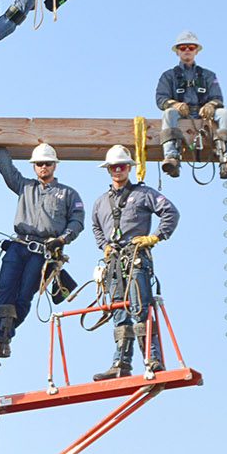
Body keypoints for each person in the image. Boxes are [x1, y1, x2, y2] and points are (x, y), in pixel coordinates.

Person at [0, 145, 84, 359]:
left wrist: (62, 239)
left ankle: (1, 338)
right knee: (4, 290)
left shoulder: (68, 194)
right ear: (34, 167)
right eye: (39, 164)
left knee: (23, 296)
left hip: (43, 251)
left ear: (54, 165)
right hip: (18, 245)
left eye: (47, 163)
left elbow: (78, 221)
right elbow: (7, 170)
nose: (43, 167)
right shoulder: (25, 187)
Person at [91, 146, 179, 380]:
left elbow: (170, 212)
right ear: (108, 170)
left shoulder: (144, 194)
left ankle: (152, 358)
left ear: (128, 167)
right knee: (119, 311)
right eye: (113, 167)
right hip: (114, 263)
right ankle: (121, 363)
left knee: (139, 308)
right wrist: (104, 246)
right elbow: (96, 227)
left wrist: (155, 237)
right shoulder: (101, 202)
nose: (117, 171)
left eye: (121, 166)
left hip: (136, 258)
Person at [156, 30, 227, 179]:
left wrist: (211, 105)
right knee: (168, 113)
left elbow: (218, 98)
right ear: (177, 52)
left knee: (224, 113)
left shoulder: (208, 75)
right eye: (183, 48)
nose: (187, 50)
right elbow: (161, 99)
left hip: (204, 114)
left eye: (191, 47)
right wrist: (175, 105)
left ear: (196, 50)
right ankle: (171, 157)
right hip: (181, 115)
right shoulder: (168, 76)